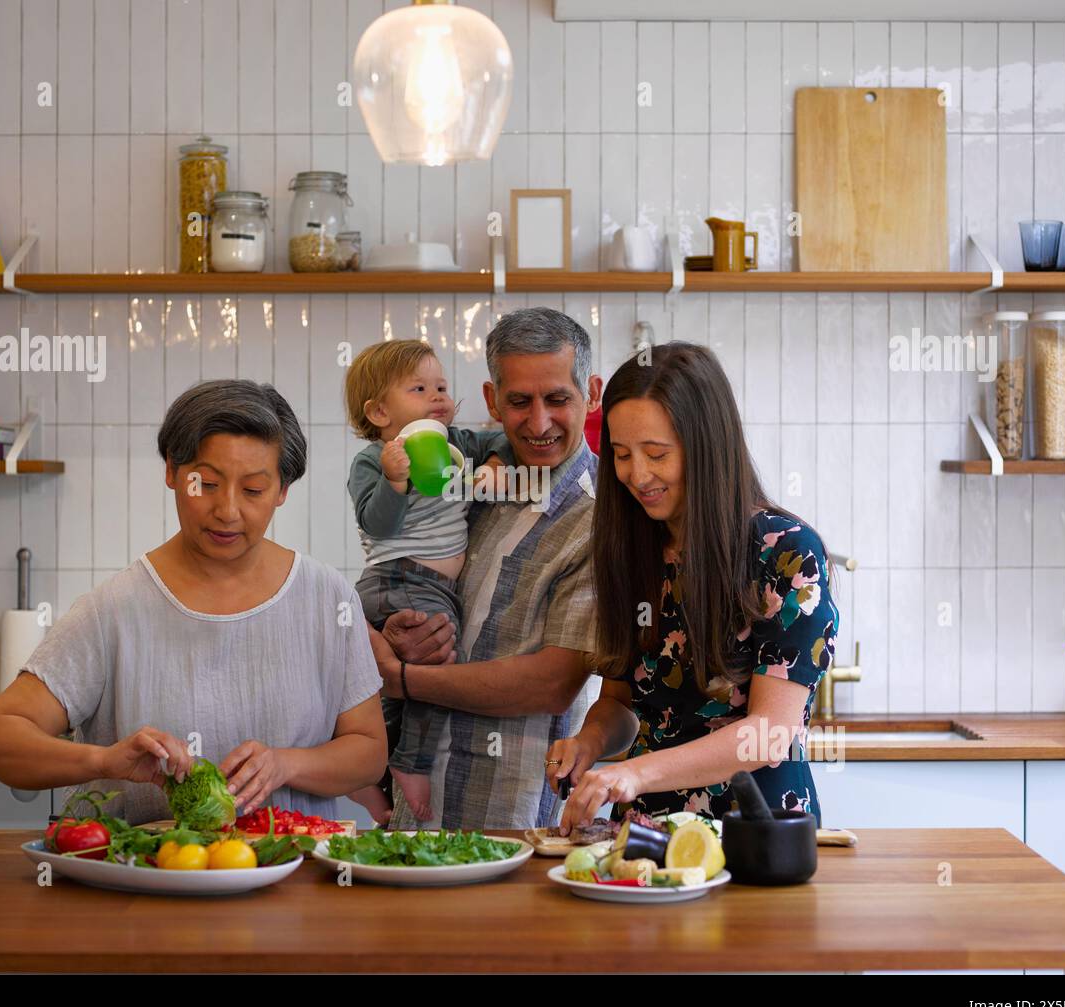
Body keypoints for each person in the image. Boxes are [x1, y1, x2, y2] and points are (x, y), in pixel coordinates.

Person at [0, 380, 386, 825]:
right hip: (142, 882)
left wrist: (288, 764)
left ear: (282, 490)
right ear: (171, 471)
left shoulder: (326, 598)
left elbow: (368, 751)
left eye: (253, 490)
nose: (227, 510)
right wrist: (103, 762)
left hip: (294, 882)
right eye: (204, 483)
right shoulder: (113, 610)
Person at [546, 343, 839, 828]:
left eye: (657, 454)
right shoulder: (629, 548)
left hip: (756, 833)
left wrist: (635, 774)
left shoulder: (785, 552)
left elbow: (769, 732)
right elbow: (621, 703)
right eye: (621, 455)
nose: (637, 476)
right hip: (642, 834)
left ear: (707, 445)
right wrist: (589, 743)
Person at [368, 307, 603, 830]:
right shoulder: (468, 479)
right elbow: (406, 565)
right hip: (419, 807)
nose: (539, 423)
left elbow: (552, 683)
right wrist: (396, 629)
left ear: (592, 391)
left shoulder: (602, 518)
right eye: (519, 401)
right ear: (493, 401)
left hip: (517, 817)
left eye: (558, 399)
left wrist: (404, 679)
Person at [343, 339, 511, 825]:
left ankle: (369, 777)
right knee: (437, 670)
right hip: (396, 578)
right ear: (378, 412)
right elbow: (376, 525)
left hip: (427, 587)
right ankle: (410, 765)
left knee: (396, 684)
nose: (438, 396)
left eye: (440, 385)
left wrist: (497, 464)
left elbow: (500, 440)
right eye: (419, 388)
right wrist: (395, 482)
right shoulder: (375, 459)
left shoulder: (457, 442)